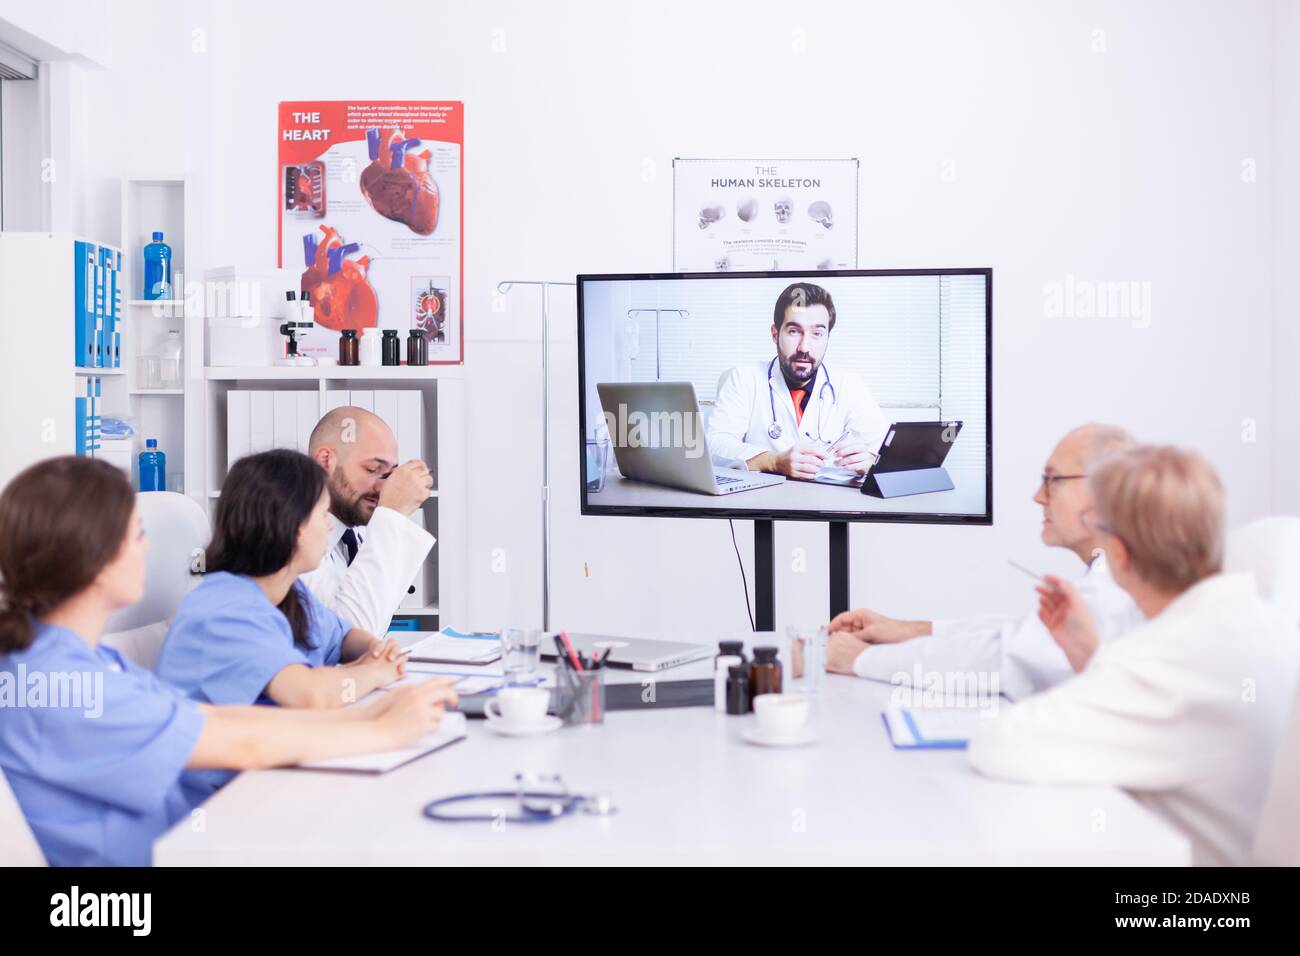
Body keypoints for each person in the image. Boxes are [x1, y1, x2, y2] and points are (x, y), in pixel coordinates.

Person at [0, 456, 457, 866]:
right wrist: (382, 728)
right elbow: (239, 741)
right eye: (137, 535)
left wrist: (376, 712)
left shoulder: (66, 660)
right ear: (96, 559)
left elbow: (214, 719)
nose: (147, 549)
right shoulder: (61, 682)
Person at [969, 446, 1300, 866]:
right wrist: (1091, 656)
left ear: (1119, 553)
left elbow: (1002, 743)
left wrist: (1105, 665)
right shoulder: (1265, 622)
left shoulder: (1167, 657)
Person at [155, 450, 424, 798]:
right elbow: (308, 695)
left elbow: (342, 636)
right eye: (322, 514)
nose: (329, 526)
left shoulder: (286, 590)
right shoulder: (223, 609)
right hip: (218, 800)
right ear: (293, 526)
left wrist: (375, 649)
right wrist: (375, 672)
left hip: (275, 774)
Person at [825, 424, 1142, 700]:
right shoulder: (1112, 576)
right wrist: (903, 630)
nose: (1038, 496)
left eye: (1053, 479)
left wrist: (859, 658)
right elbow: (1018, 633)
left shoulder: (1112, 591)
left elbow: (1001, 658)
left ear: (1104, 492)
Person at [706, 281, 889, 479]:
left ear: (828, 336)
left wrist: (870, 459)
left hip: (829, 502)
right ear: (775, 334)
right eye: (794, 331)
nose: (804, 347)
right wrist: (774, 461)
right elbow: (715, 444)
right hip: (762, 501)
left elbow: (882, 446)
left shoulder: (849, 384)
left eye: (817, 333)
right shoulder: (743, 378)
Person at [299, 405, 435, 635]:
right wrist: (393, 513)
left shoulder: (355, 534)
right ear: (324, 461)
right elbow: (351, 634)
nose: (383, 487)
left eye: (390, 474)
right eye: (373, 469)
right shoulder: (293, 536)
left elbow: (378, 617)